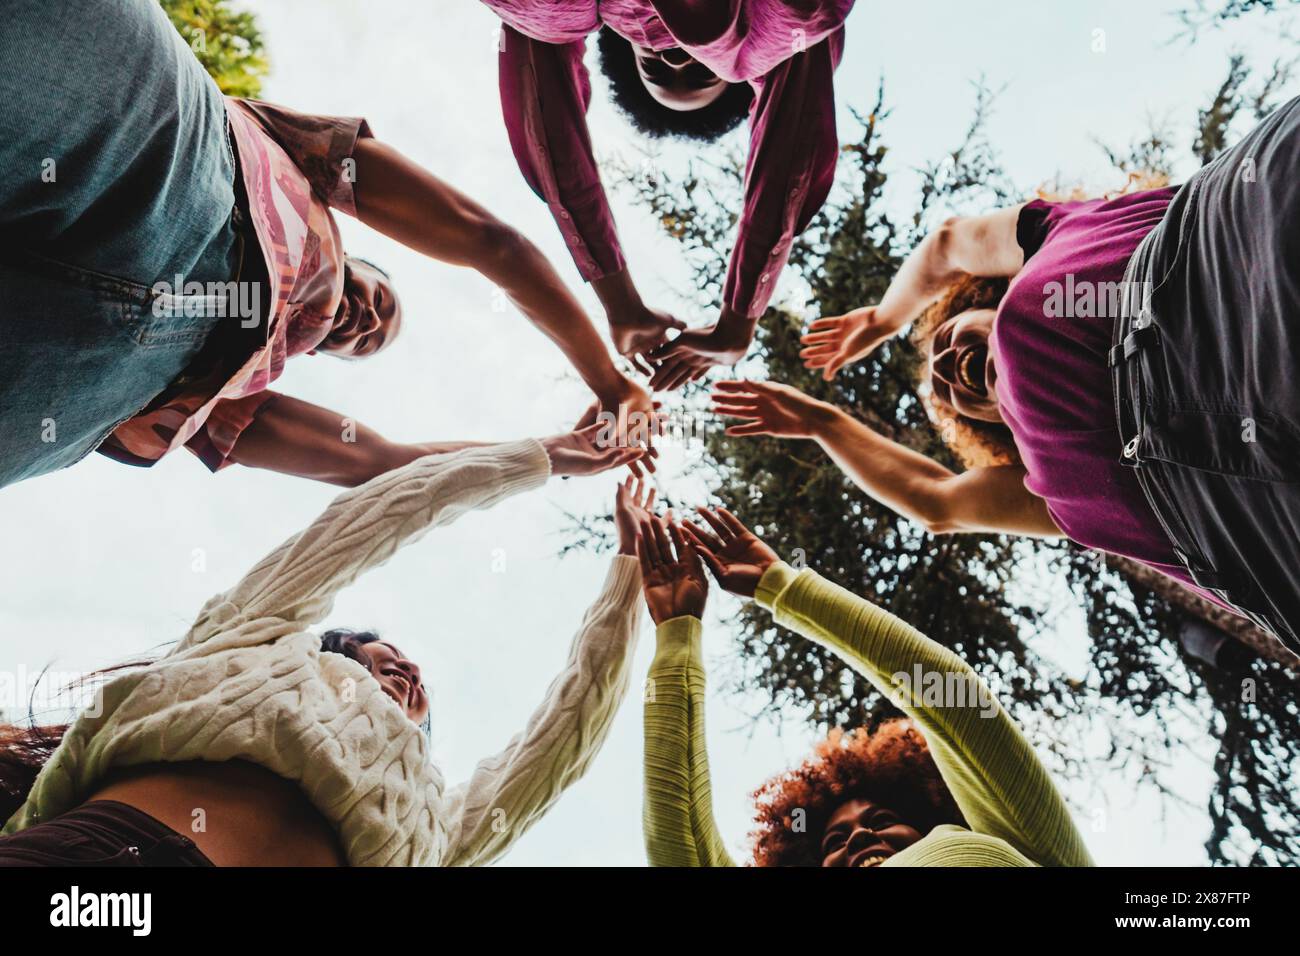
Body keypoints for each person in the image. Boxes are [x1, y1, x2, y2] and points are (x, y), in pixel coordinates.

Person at [716, 96, 1300, 654]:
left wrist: (883, 318)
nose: (944, 368)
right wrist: (820, 422)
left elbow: (945, 246)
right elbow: (935, 503)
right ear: (997, 430)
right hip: (1262, 512)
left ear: (988, 292)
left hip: (1254, 238)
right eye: (950, 397)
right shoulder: (1055, 489)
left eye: (946, 337)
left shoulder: (1054, 237)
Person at [0, 0, 652, 491]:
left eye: (370, 340)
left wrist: (554, 453)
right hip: (166, 160)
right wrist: (610, 381)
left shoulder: (243, 392)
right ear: (347, 251)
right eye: (379, 299)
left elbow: (380, 464)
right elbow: (495, 246)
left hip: (87, 388)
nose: (369, 320)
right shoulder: (308, 163)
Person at [0, 428, 654, 866]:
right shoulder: (254, 639)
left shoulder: (430, 818)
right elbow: (374, 519)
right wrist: (546, 456)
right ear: (331, 653)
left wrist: (630, 576)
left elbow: (564, 738)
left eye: (419, 701)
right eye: (378, 654)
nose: (406, 667)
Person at [636, 506, 1094, 866]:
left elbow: (956, 700)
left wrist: (786, 589)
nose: (859, 835)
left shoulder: (1014, 843)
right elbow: (683, 846)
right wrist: (676, 635)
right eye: (833, 842)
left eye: (884, 820)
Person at [485, 0, 856, 389]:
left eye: (654, 68)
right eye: (702, 73)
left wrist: (619, 301)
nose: (678, 62)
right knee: (785, 38)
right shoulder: (768, 36)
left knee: (547, 21)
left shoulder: (583, 12)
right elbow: (790, 161)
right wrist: (738, 320)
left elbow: (550, 133)